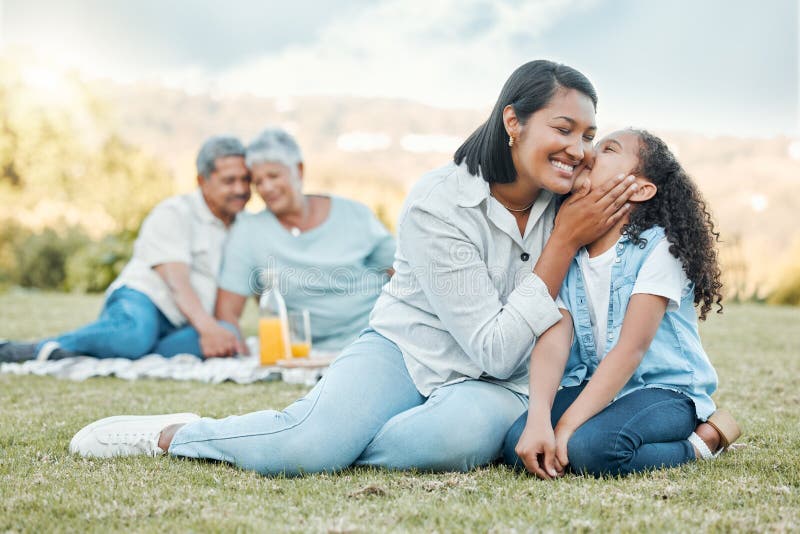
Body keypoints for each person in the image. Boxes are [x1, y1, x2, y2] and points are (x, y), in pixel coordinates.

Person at [68, 60, 638, 475]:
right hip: (406, 349)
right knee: (305, 448)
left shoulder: (572, 197)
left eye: (589, 135)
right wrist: (561, 244)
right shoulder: (440, 200)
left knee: (447, 443)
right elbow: (488, 341)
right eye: (563, 130)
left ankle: (328, 440)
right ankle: (180, 434)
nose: (580, 149)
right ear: (513, 122)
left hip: (503, 381)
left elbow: (503, 358)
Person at [502, 129, 741, 479]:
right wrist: (539, 417)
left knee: (590, 449)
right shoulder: (570, 250)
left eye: (608, 149)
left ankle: (703, 440)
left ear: (641, 189)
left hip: (664, 392)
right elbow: (553, 339)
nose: (588, 154)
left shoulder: (660, 248)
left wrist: (566, 425)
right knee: (514, 444)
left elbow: (631, 349)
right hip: (601, 387)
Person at [0, 136, 252, 362]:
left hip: (184, 322)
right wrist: (208, 328)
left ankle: (113, 351)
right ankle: (33, 349)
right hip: (142, 300)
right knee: (134, 335)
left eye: (245, 180)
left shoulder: (244, 227)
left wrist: (220, 332)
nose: (240, 189)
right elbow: (178, 283)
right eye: (229, 181)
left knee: (227, 336)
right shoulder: (174, 213)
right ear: (202, 181)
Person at [210, 127, 397, 353]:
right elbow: (227, 310)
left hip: (377, 337)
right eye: (258, 182)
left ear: (298, 170)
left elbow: (403, 271)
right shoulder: (249, 232)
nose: (266, 188)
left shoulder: (355, 215)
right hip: (307, 352)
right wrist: (237, 353)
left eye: (273, 176)